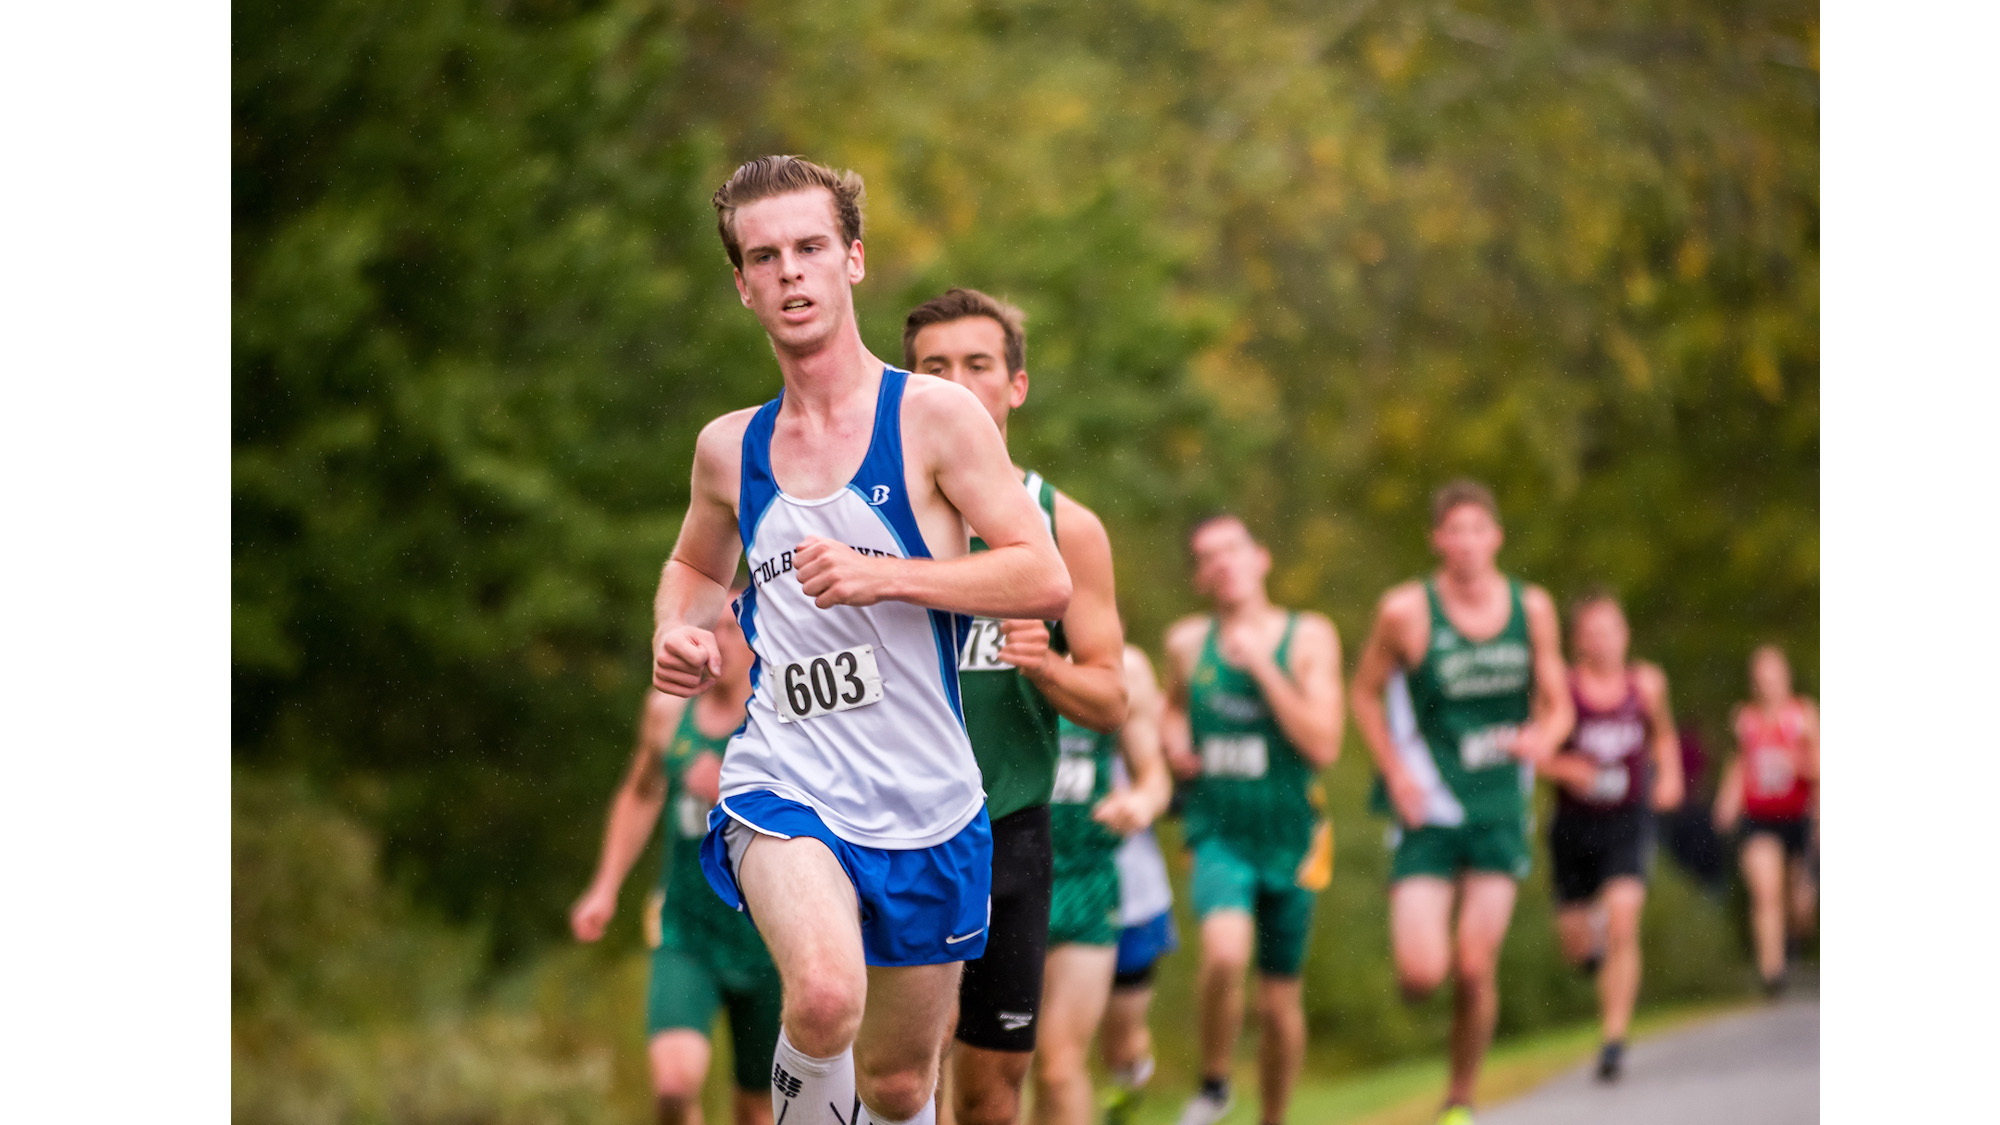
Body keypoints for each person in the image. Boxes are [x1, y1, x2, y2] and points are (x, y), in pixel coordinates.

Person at [653, 155, 1072, 1125]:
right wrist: (674, 629)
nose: (790, 272)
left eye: (809, 248)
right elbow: (692, 569)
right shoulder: (729, 449)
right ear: (742, 286)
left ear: (852, 262)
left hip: (926, 798)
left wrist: (885, 576)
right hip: (783, 778)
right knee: (825, 996)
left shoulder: (933, 418)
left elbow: (1039, 575)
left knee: (893, 1085)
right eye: (766, 257)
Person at [902, 288, 1129, 1125]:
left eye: (978, 364)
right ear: (909, 380)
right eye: (936, 366)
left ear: (1016, 384)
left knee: (994, 1089)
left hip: (1011, 831)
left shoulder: (1066, 525)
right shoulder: (880, 515)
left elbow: (1112, 699)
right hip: (895, 825)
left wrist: (1047, 669)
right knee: (902, 1073)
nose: (958, 383)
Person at [1349, 479, 1572, 1125]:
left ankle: (1460, 1097)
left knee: (1475, 968)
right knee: (1424, 975)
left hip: (1500, 805)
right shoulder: (1405, 612)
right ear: (1438, 540)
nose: (1469, 543)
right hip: (1429, 806)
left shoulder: (1533, 609)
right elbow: (1364, 694)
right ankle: (1417, 984)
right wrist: (1394, 773)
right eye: (1456, 531)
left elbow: (1557, 702)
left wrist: (1544, 737)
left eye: (1480, 529)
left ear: (1496, 538)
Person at [1161, 513, 1342, 1125]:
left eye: (1232, 550)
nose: (1223, 564)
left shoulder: (1310, 637)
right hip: (1219, 833)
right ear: (1200, 577)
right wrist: (1175, 740)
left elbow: (1323, 746)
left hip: (1293, 838)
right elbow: (1171, 709)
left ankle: (1274, 1117)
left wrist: (1265, 666)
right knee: (1223, 956)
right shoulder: (1188, 643)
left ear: (1260, 558)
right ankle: (1214, 1083)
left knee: (1278, 1003)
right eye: (1208, 557)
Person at [571, 609, 779, 1125]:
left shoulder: (780, 715)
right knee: (673, 1085)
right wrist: (605, 887)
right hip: (687, 930)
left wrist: (732, 792)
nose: (719, 643)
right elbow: (641, 794)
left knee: (756, 1109)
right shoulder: (666, 710)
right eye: (710, 631)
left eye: (734, 629)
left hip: (770, 938)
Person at [1536, 591, 1684, 1083]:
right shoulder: (1564, 688)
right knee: (1581, 950)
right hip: (1574, 828)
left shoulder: (1647, 683)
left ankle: (1614, 1039)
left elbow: (1661, 733)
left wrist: (1669, 776)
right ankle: (1590, 945)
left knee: (1624, 920)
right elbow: (1536, 752)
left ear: (1625, 633)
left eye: (1611, 630)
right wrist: (1567, 768)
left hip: (1627, 820)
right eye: (1592, 632)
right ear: (1579, 640)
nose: (1603, 641)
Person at [1029, 645, 1172, 1125]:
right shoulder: (990, 647)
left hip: (1088, 880)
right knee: (990, 1075)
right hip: (1006, 878)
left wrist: (1142, 802)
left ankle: (1129, 1085)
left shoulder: (1125, 667)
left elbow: (1154, 776)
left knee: (1058, 1066)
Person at [1711, 644, 1819, 996]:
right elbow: (1739, 764)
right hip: (1759, 818)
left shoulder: (1803, 715)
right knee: (1765, 891)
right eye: (1761, 678)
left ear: (1785, 677)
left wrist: (1797, 764)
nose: (1767, 683)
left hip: (1799, 817)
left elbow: (1821, 767)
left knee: (1801, 906)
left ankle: (1792, 939)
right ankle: (1772, 973)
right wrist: (1727, 802)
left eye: (1773, 675)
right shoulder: (1745, 719)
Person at [1097, 716, 1182, 1125]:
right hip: (1052, 893)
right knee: (1052, 1049)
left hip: (1135, 896)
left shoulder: (1127, 677)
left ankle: (1126, 1096)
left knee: (1122, 1038)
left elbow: (1161, 778)